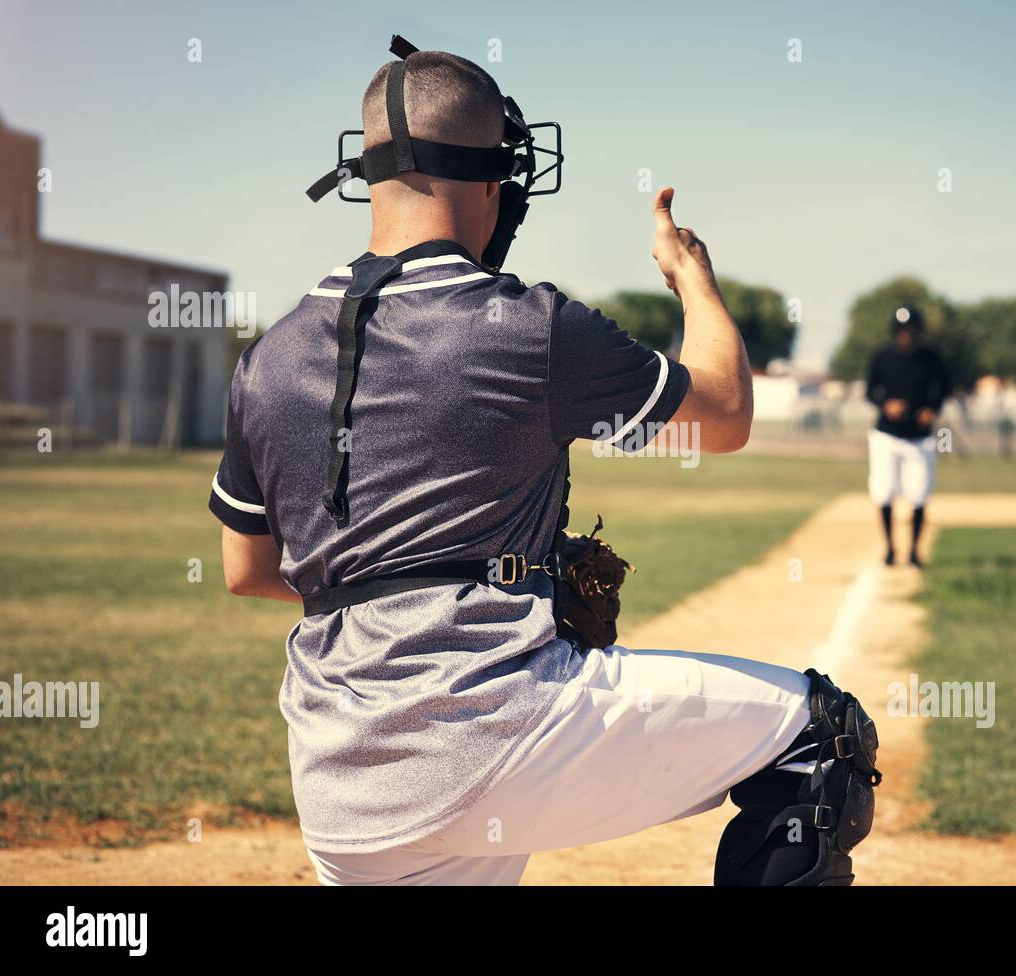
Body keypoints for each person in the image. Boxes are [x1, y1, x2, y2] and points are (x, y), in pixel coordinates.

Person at [207, 47, 878, 886]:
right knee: (825, 736)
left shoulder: (267, 359)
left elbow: (248, 569)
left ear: (365, 173)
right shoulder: (529, 325)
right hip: (499, 737)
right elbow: (727, 414)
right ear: (493, 178)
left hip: (339, 788)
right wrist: (693, 281)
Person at [865, 305, 952, 568]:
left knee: (918, 494)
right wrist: (885, 405)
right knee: (885, 491)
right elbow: (870, 390)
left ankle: (914, 551)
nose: (907, 335)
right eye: (902, 330)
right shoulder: (882, 357)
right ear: (895, 331)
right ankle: (890, 548)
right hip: (886, 436)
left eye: (911, 330)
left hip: (920, 437)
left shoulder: (930, 358)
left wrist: (932, 409)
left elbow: (945, 386)